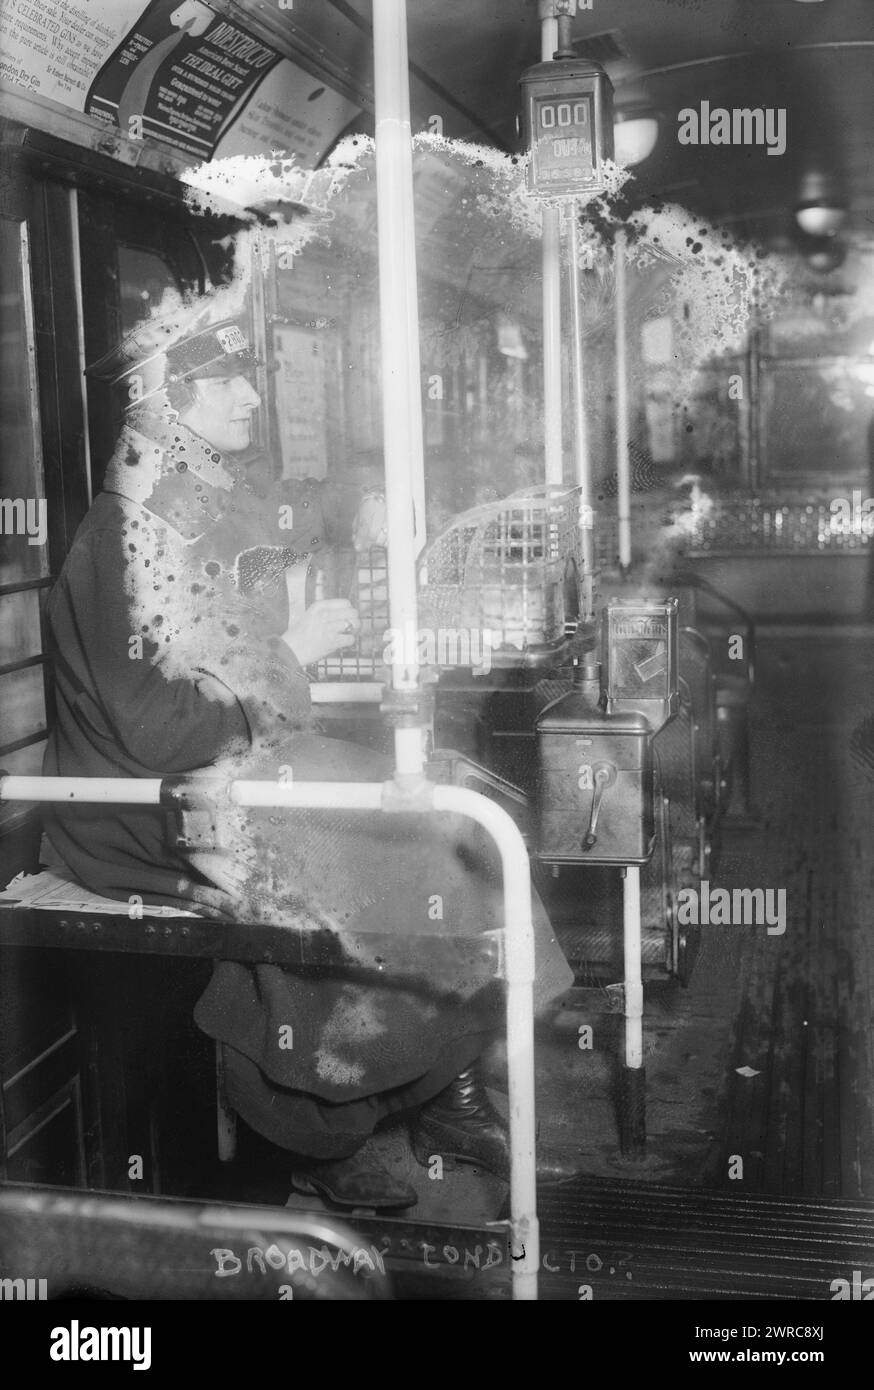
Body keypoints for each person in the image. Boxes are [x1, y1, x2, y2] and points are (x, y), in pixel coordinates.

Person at [43, 295, 574, 1208]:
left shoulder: (188, 513)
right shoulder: (121, 541)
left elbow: (244, 602)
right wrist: (293, 654)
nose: (251, 395)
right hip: (142, 811)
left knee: (456, 820)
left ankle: (436, 1086)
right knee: (395, 854)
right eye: (224, 382)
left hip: (221, 779)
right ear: (164, 408)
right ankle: (327, 1129)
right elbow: (154, 731)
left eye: (248, 374)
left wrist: (340, 544)